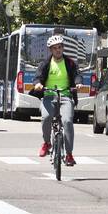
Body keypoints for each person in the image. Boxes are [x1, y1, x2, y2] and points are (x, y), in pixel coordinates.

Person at [31, 34, 79, 166]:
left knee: (68, 121)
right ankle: (47, 143)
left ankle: (69, 154)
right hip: (48, 95)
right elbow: (37, 77)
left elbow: (76, 75)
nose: (58, 50)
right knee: (46, 118)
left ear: (63, 48)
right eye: (55, 48)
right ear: (50, 50)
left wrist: (77, 83)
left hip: (66, 96)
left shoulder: (69, 63)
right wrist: (38, 84)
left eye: (60, 47)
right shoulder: (45, 63)